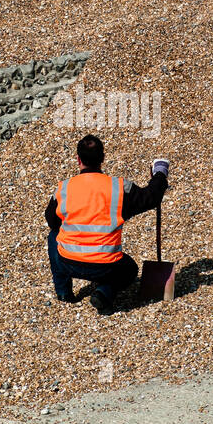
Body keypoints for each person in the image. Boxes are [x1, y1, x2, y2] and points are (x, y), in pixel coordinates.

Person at [45, 135, 169, 315]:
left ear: (78, 159)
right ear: (103, 158)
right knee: (130, 270)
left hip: (68, 262)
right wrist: (160, 172)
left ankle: (64, 293)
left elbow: (51, 221)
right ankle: (104, 293)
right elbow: (150, 198)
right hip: (105, 267)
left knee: (53, 236)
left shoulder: (64, 188)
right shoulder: (119, 188)